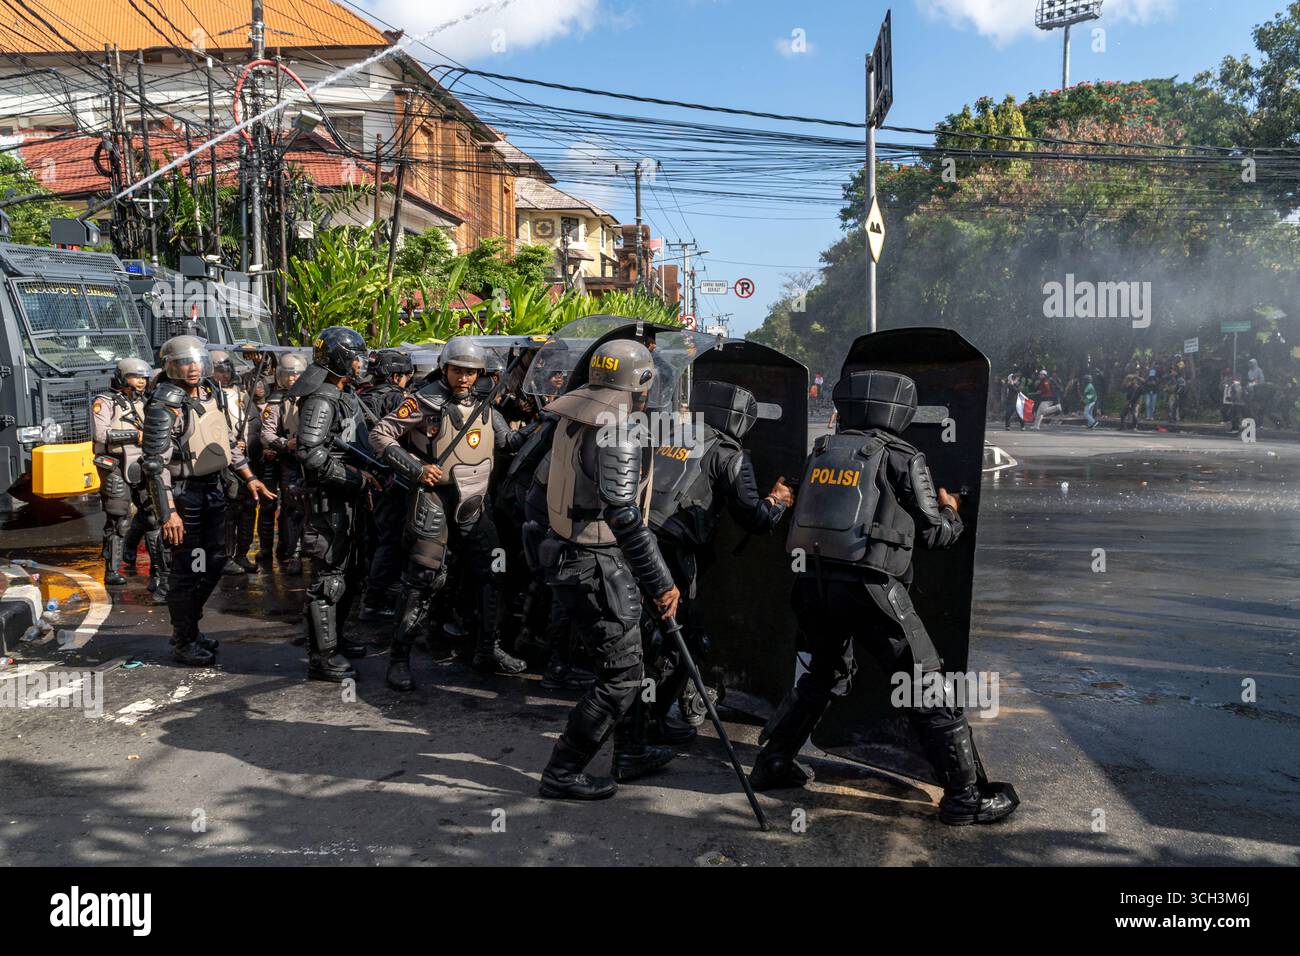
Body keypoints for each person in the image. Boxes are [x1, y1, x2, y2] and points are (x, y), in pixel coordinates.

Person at [758, 369, 1018, 826]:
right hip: (872, 590)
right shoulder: (903, 456)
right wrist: (953, 511)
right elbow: (935, 534)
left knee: (820, 674)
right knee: (926, 684)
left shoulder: (822, 449)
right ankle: (964, 797)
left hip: (812, 584)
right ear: (899, 409)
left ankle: (774, 760)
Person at [535, 339, 682, 800]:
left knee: (633, 655)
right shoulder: (617, 427)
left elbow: (536, 487)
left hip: (570, 552)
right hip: (594, 560)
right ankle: (562, 771)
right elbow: (623, 512)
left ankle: (630, 751)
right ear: (640, 382)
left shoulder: (573, 416)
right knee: (621, 674)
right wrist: (662, 581)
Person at [369, 337, 528, 692]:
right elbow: (380, 435)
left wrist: (547, 423)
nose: (464, 378)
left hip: (474, 503)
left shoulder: (488, 405)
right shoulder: (424, 401)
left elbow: (508, 443)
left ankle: (487, 649)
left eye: (470, 372)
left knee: (492, 574)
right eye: (458, 370)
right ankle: (399, 659)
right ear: (445, 369)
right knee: (421, 579)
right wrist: (415, 468)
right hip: (434, 500)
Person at [644, 381, 793, 741]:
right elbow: (754, 518)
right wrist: (779, 501)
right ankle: (650, 723)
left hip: (638, 543)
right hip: (674, 555)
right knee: (683, 639)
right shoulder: (730, 454)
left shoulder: (672, 433)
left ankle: (639, 713)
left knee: (645, 636)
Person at [141, 336, 275, 665]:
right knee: (186, 569)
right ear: (172, 366)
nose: (193, 367)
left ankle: (189, 627)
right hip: (184, 496)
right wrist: (168, 512)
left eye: (196, 361)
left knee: (213, 561)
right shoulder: (165, 404)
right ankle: (184, 638)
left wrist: (249, 477)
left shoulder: (209, 392)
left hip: (212, 488)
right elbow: (155, 464)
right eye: (184, 362)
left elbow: (224, 439)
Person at [295, 327, 377, 682]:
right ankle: (322, 657)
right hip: (330, 502)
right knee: (329, 580)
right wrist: (356, 478)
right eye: (356, 356)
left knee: (350, 574)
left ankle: (337, 638)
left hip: (349, 501)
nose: (361, 363)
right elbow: (310, 454)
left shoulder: (346, 395)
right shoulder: (322, 399)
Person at [90, 358, 160, 588]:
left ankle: (158, 572)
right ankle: (112, 571)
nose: (141, 381)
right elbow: (102, 435)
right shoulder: (105, 401)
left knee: (152, 516)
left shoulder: (146, 401)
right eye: (135, 377)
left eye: (143, 377)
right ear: (123, 377)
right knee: (118, 517)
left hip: (141, 463)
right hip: (115, 465)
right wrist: (135, 435)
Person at [358, 349, 415, 622]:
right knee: (391, 540)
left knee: (373, 537)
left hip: (363, 478)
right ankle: (373, 601)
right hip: (391, 480)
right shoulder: (397, 399)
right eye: (405, 376)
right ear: (396, 376)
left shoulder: (359, 396)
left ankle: (372, 587)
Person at [259, 353, 308, 575]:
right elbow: (266, 433)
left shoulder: (314, 396)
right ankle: (292, 553)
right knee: (291, 507)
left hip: (313, 459)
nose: (292, 379)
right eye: (288, 374)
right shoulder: (277, 401)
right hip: (290, 460)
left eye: (296, 374)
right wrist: (285, 444)